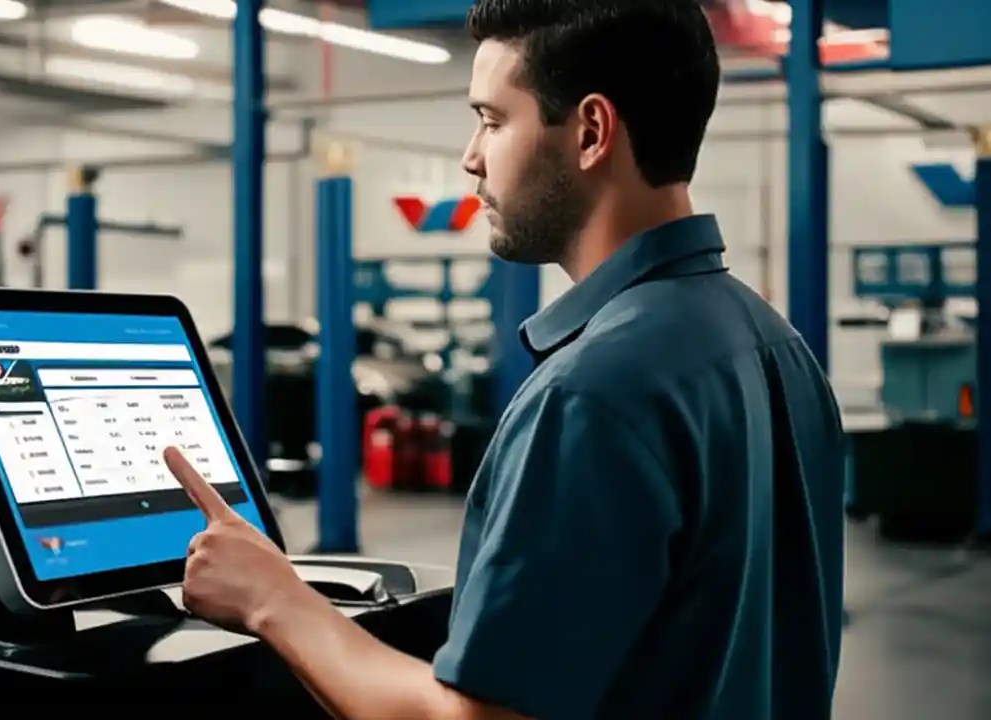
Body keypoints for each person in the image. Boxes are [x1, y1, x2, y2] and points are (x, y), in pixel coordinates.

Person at [161, 0, 846, 717]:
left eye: (492, 119)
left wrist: (274, 600)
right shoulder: (777, 347)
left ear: (590, 132)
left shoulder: (593, 394)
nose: (471, 156)